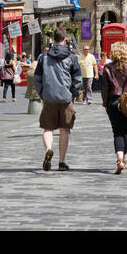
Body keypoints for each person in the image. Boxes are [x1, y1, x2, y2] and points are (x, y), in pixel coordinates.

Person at [35, 28, 83, 171]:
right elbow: (78, 79)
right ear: (65, 39)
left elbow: (37, 78)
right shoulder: (71, 57)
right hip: (65, 98)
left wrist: (43, 93)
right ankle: (61, 162)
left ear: (53, 39)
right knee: (64, 130)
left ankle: (48, 150)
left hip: (49, 97)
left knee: (47, 128)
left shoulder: (43, 57)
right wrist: (72, 93)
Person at [101, 42, 127, 174]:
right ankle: (124, 159)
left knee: (117, 131)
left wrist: (105, 103)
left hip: (113, 102)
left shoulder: (107, 68)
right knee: (125, 131)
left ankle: (119, 161)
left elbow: (105, 89)